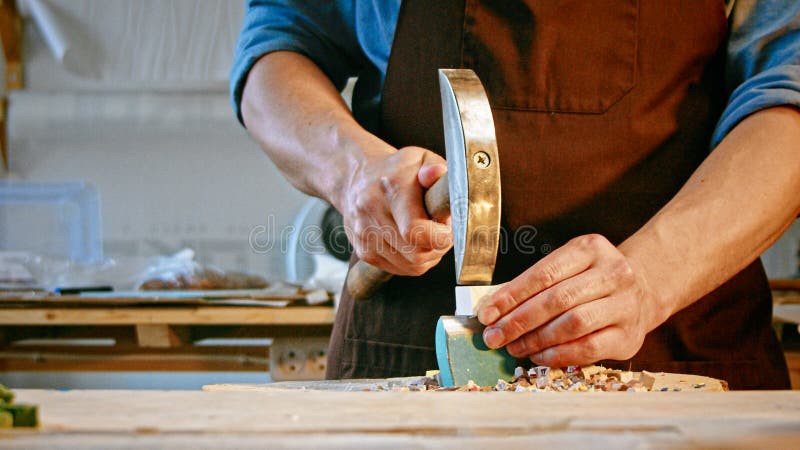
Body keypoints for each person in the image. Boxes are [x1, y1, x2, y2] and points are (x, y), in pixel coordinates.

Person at [231, 0, 800, 389]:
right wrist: (352, 170)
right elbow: (278, 42)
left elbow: (790, 84)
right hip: (406, 346)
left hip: (678, 343)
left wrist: (653, 277)